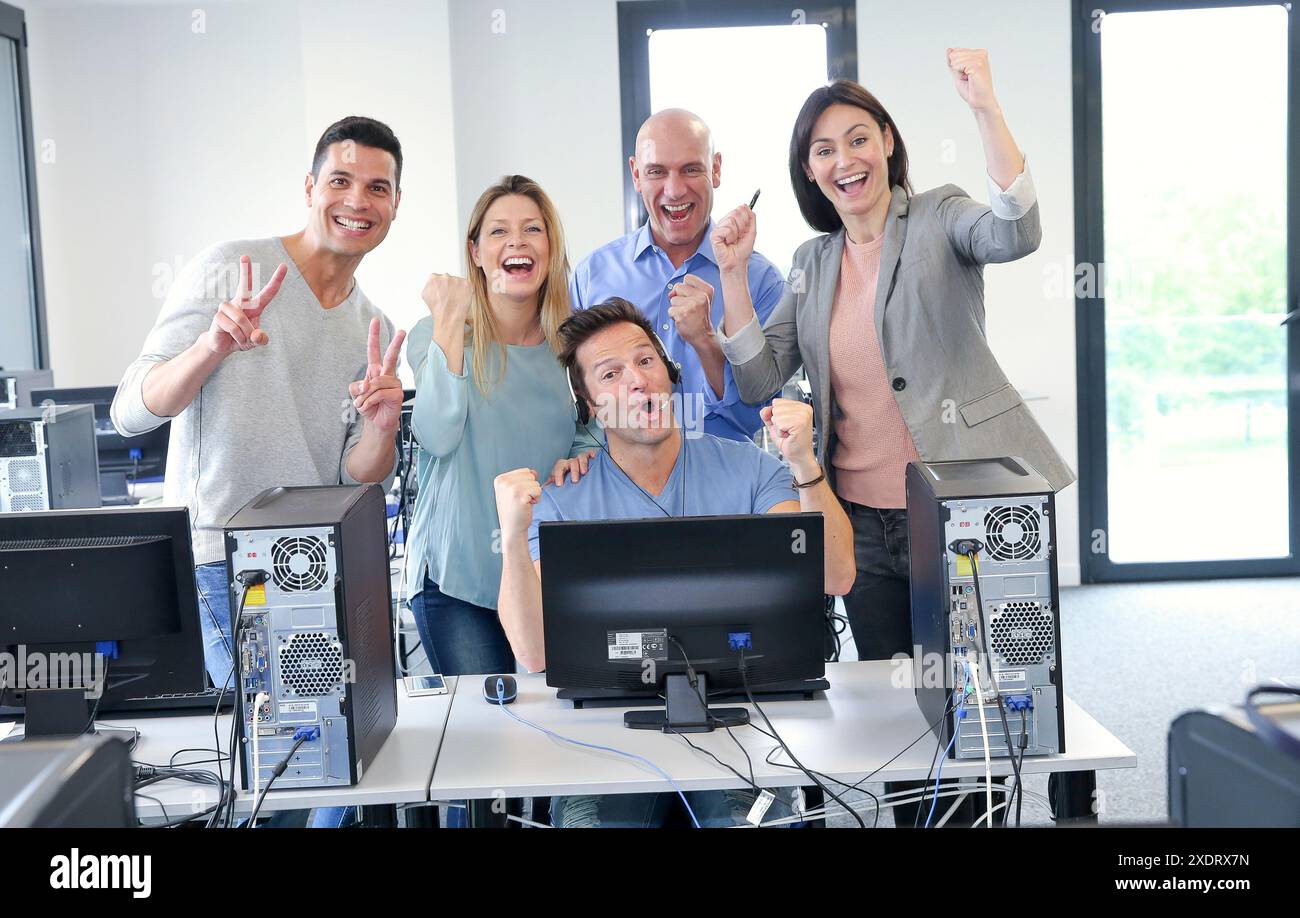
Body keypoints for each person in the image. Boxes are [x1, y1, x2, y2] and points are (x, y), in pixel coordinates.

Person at [713, 52, 1074, 825]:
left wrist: (985, 106)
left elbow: (1019, 230)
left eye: (857, 139)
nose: (844, 160)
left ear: (886, 144)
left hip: (959, 514)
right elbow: (756, 379)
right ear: (808, 173)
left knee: (978, 711)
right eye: (823, 150)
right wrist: (734, 274)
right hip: (865, 527)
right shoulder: (811, 264)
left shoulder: (940, 215)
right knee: (901, 711)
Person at [493, 298, 855, 828]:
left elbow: (837, 574)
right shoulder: (563, 499)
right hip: (607, 734)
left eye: (645, 361)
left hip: (742, 725)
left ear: (669, 374)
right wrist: (512, 534)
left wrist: (803, 463)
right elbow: (533, 652)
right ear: (591, 406)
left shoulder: (749, 470)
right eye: (610, 374)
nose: (637, 381)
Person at [112, 115, 406, 692]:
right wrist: (210, 348)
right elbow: (131, 411)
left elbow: (355, 477)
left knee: (320, 746)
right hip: (224, 557)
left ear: (396, 203)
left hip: (315, 561)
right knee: (265, 740)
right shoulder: (231, 268)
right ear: (309, 189)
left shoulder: (373, 326)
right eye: (340, 181)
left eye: (378, 188)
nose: (358, 201)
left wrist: (382, 430)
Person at [405, 174, 597, 680]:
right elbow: (437, 433)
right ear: (475, 252)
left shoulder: (573, 341)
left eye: (532, 229)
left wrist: (583, 449)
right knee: (490, 738)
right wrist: (450, 318)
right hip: (457, 579)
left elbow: (594, 426)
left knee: (552, 732)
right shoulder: (436, 333)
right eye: (498, 232)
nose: (516, 242)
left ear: (550, 248)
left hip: (542, 575)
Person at [570, 109, 785, 442]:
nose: (674, 190)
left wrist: (706, 341)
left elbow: (758, 418)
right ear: (636, 174)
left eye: (691, 169)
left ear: (715, 169)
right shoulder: (591, 276)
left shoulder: (761, 281)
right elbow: (578, 410)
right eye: (657, 171)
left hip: (725, 485)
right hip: (623, 483)